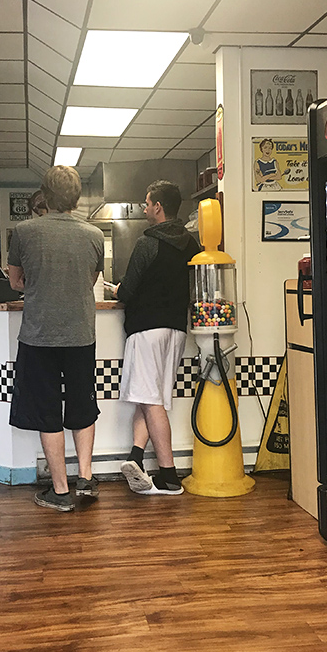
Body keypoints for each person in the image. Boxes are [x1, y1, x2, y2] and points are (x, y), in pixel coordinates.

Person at [8, 166, 104, 512]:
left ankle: (60, 492)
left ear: (44, 197)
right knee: (82, 402)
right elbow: (90, 280)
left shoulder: (24, 231)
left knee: (47, 410)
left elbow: (15, 282)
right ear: (76, 198)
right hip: (81, 334)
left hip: (39, 335)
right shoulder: (94, 235)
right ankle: (87, 478)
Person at [116, 180, 200, 496]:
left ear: (158, 207)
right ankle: (135, 456)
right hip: (177, 329)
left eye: (147, 202)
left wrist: (119, 290)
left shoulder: (147, 243)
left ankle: (168, 476)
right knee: (150, 396)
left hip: (147, 327)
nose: (144, 208)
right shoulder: (191, 244)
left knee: (151, 401)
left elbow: (129, 290)